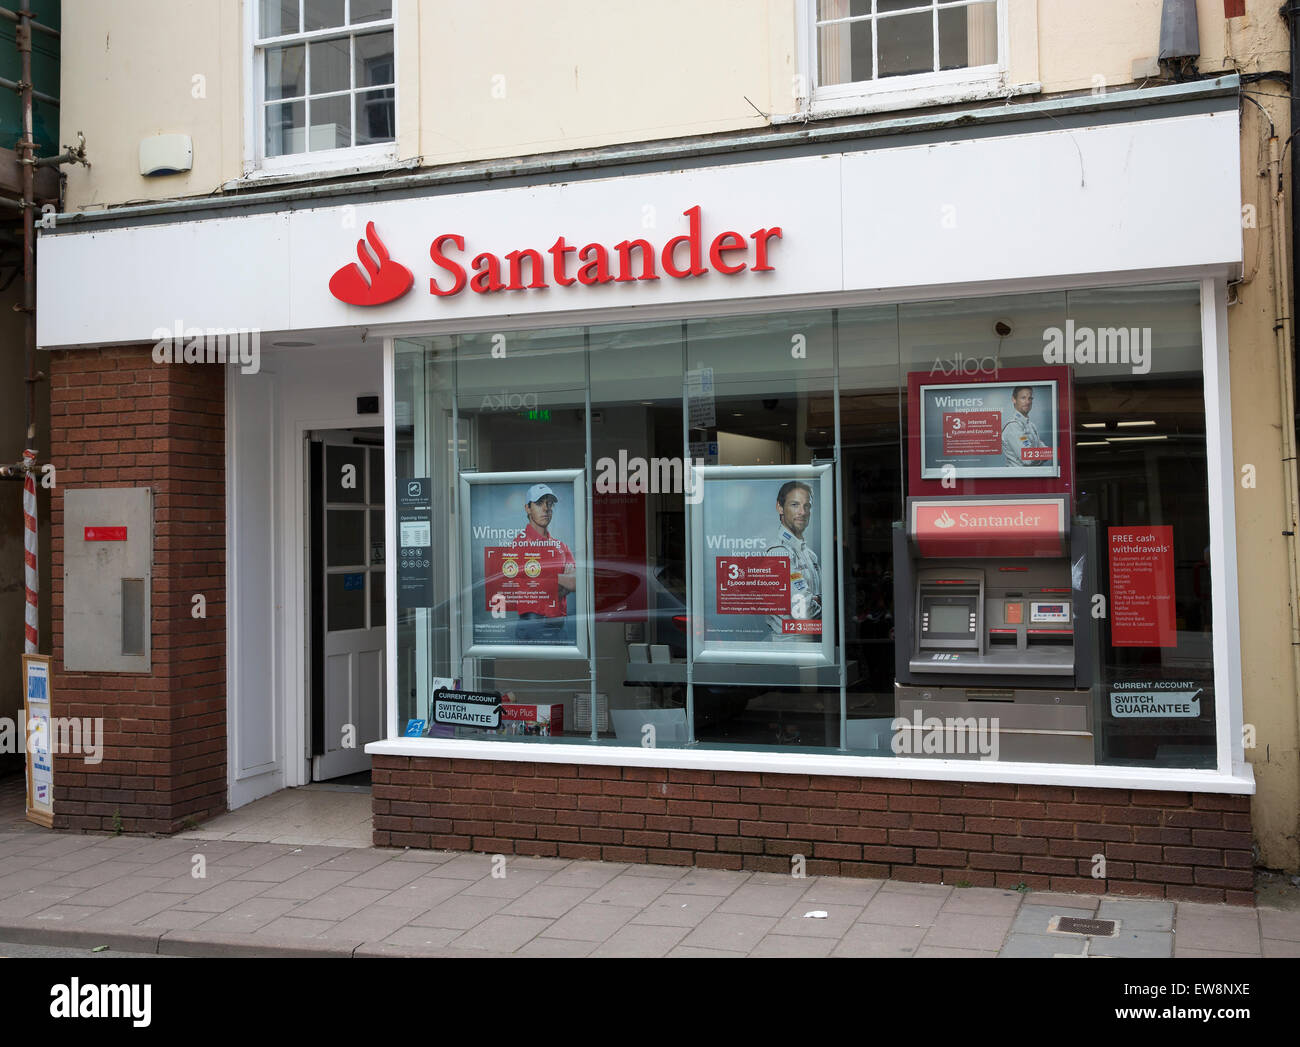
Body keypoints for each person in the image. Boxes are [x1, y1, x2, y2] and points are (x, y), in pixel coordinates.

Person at [510, 483, 577, 643]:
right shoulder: (519, 544)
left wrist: (547, 577)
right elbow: (536, 585)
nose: (546, 509)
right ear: (527, 508)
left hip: (560, 626)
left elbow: (575, 582)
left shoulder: (561, 546)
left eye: (549, 503)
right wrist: (561, 581)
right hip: (533, 625)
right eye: (539, 503)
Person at [766, 480, 821, 638]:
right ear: (780, 508)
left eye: (807, 506)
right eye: (795, 505)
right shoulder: (779, 553)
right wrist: (822, 605)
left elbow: (822, 598)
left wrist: (817, 600)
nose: (802, 512)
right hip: (789, 645)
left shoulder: (809, 554)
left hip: (811, 643)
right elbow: (802, 609)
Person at [1001, 385, 1049, 468]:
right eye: (1023, 398)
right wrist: (1043, 456)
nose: (1027, 402)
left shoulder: (1031, 425)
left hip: (1031, 477)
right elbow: (1028, 459)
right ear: (1014, 399)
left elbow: (1046, 451)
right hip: (1017, 478)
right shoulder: (1013, 426)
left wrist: (1042, 454)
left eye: (1030, 398)